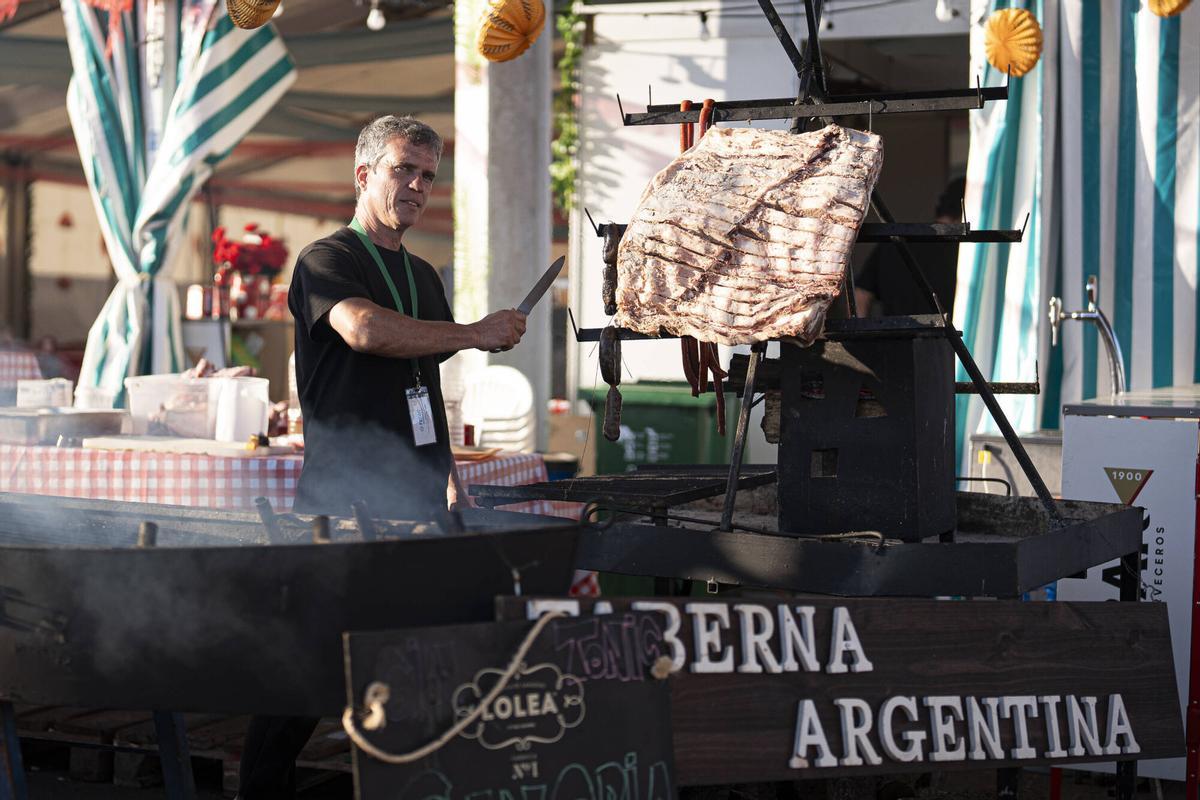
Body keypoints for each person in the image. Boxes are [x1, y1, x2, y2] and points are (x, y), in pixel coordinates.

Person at [236, 115, 527, 798]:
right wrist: (478, 332)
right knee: (305, 678)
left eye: (428, 175)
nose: (419, 186)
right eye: (405, 169)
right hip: (341, 506)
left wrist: (452, 481)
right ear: (365, 174)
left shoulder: (424, 275)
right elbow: (364, 329)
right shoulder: (324, 261)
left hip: (418, 504)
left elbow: (425, 380)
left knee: (418, 670)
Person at [854, 176, 965, 322]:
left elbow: (861, 294)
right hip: (951, 340)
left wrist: (863, 337)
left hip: (897, 339)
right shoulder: (966, 252)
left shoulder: (894, 243)